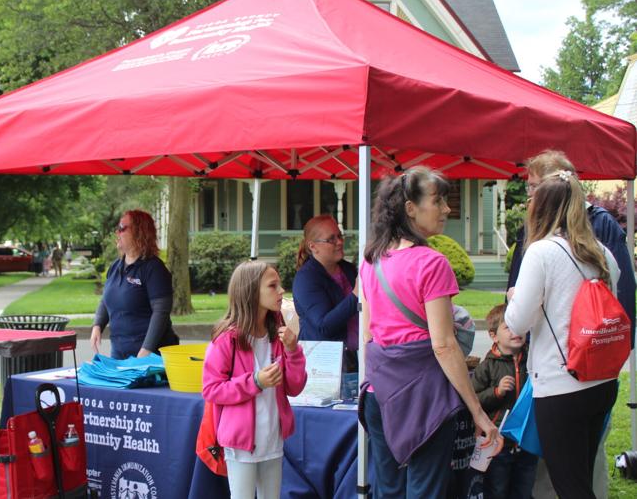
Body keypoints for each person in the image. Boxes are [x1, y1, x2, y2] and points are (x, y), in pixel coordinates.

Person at [358, 167, 498, 498]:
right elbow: (445, 345)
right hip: (425, 399)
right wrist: (478, 412)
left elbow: (367, 336)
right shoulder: (432, 263)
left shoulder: (370, 260)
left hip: (380, 394)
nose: (447, 209)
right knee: (426, 490)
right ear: (410, 208)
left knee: (388, 489)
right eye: (438, 201)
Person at [505, 150, 632, 499]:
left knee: (569, 485)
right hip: (601, 380)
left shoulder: (541, 252)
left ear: (541, 207)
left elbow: (518, 322)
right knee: (581, 475)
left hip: (561, 384)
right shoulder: (601, 252)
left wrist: (515, 296)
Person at [201, 260, 307, 499]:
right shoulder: (227, 339)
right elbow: (211, 390)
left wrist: (292, 350)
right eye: (273, 285)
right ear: (251, 292)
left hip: (272, 439)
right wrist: (255, 382)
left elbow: (295, 387)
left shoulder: (278, 334)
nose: (281, 291)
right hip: (240, 444)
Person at [90, 210, 180, 359]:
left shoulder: (154, 269)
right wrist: (97, 325)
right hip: (120, 354)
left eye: (122, 227)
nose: (117, 232)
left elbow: (161, 313)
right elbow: (107, 300)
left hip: (152, 357)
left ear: (139, 232)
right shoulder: (115, 267)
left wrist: (146, 350)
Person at [472, 304, 536, 499]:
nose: (515, 331)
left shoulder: (533, 359)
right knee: (497, 490)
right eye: (508, 327)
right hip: (498, 443)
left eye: (519, 326)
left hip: (526, 441)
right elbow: (475, 400)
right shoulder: (487, 366)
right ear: (493, 336)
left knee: (524, 490)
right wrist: (496, 392)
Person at [291, 214, 359, 370]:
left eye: (340, 236)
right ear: (313, 246)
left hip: (354, 358)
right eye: (331, 239)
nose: (340, 242)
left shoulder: (348, 269)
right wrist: (356, 295)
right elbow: (323, 325)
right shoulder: (306, 279)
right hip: (324, 365)